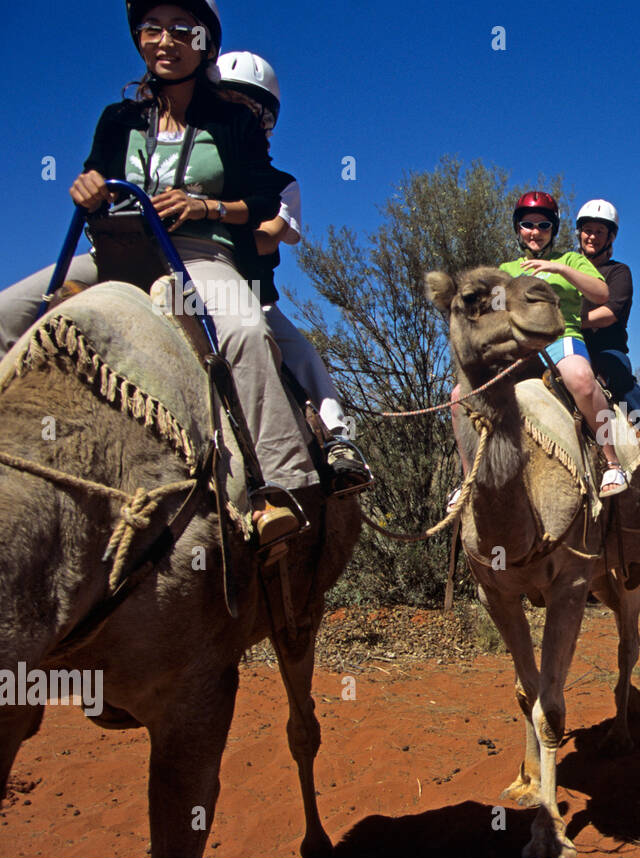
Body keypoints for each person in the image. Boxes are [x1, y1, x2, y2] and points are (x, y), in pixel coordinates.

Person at [0, 1, 314, 551]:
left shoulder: (234, 123)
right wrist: (87, 187)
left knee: (245, 332)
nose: (163, 41)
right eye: (151, 29)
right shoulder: (118, 118)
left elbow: (263, 197)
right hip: (116, 252)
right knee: (10, 311)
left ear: (205, 43)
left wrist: (206, 207)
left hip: (197, 255)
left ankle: (277, 487)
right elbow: (94, 171)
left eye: (180, 30)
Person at [215, 50, 370, 495]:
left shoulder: (281, 183)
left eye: (248, 107)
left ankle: (339, 441)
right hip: (178, 285)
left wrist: (206, 221)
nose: (238, 115)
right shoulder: (194, 169)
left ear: (265, 119)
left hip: (250, 295)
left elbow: (270, 235)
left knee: (303, 356)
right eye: (226, 101)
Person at [447, 191, 627, 507]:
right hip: (517, 349)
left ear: (553, 229)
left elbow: (601, 293)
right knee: (460, 396)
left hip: (562, 338)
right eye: (528, 224)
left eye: (543, 225)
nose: (535, 232)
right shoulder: (505, 268)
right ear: (519, 228)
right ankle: (469, 480)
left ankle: (612, 464)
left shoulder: (571, 260)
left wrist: (557, 270)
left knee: (582, 381)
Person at [574, 199, 640, 477]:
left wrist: (573, 322)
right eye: (587, 230)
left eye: (599, 232)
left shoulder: (618, 272)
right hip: (567, 346)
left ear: (610, 237)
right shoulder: (567, 270)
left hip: (604, 348)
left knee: (617, 373)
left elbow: (611, 312)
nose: (591, 236)